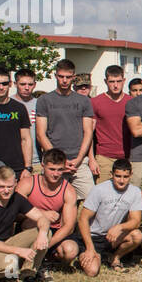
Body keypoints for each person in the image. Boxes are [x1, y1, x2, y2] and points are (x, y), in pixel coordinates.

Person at [35, 59, 96, 200]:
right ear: (56, 76)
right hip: (54, 162)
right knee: (53, 200)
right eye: (61, 76)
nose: (64, 80)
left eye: (68, 77)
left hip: (79, 162)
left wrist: (79, 159)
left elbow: (88, 132)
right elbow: (40, 134)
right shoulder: (44, 100)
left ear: (73, 78)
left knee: (91, 200)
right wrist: (60, 161)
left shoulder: (84, 101)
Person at [15, 148, 80, 271]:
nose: (56, 174)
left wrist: (45, 246)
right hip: (31, 227)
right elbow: (14, 213)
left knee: (71, 251)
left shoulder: (68, 190)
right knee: (31, 222)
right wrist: (41, 214)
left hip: (54, 230)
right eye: (52, 169)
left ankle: (49, 260)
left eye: (60, 170)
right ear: (43, 166)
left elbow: (69, 226)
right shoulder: (27, 184)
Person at [77, 159, 142, 275]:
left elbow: (136, 220)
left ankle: (114, 257)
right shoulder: (99, 189)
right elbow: (83, 219)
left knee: (137, 235)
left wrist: (119, 227)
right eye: (118, 176)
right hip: (94, 236)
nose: (122, 181)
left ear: (131, 175)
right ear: (111, 174)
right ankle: (90, 254)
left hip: (113, 237)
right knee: (92, 271)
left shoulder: (135, 191)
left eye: (125, 177)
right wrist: (90, 248)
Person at [89, 65, 131, 184]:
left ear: (124, 81)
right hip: (104, 157)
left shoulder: (132, 102)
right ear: (105, 81)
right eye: (111, 81)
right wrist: (92, 159)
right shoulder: (95, 102)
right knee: (103, 195)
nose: (115, 85)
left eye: (118, 81)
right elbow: (89, 134)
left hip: (127, 156)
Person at [12, 69, 41, 169]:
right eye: (23, 84)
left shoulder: (40, 104)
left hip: (36, 161)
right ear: (15, 84)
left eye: (30, 84)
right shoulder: (8, 104)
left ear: (35, 85)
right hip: (13, 161)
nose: (27, 88)